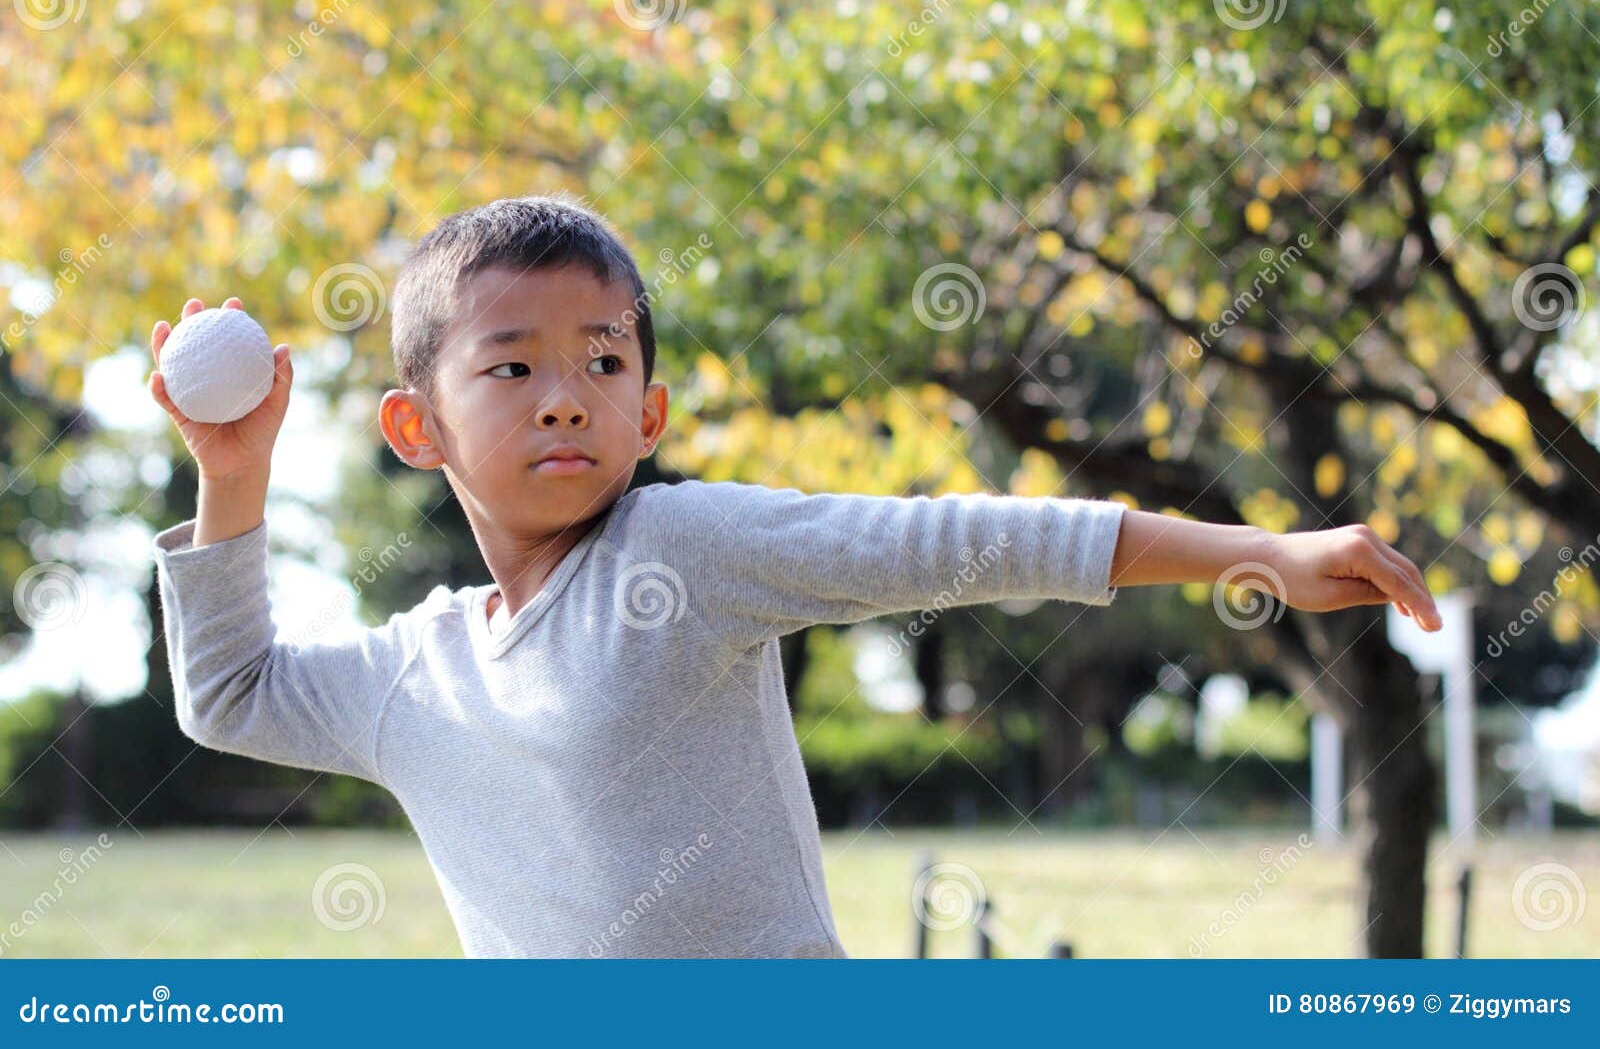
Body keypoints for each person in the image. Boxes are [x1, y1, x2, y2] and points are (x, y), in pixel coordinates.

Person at [147, 194, 1440, 958]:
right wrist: (235, 469)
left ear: (649, 414)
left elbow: (959, 540)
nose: (564, 399)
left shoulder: (687, 551)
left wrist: (1258, 549)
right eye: (511, 364)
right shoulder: (413, 673)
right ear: (414, 428)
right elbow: (230, 695)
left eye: (603, 363)